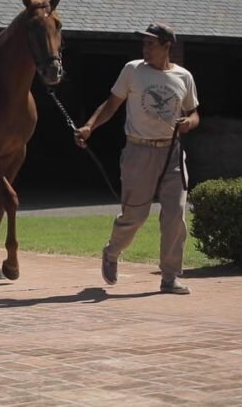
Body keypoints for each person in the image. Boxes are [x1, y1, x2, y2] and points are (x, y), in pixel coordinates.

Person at [75, 22, 200, 294]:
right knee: (136, 216)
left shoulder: (184, 77)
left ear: (167, 46)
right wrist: (89, 126)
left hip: (172, 152)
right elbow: (111, 104)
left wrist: (189, 123)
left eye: (151, 44)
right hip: (138, 150)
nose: (145, 47)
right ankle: (112, 251)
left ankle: (170, 276)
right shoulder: (133, 70)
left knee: (175, 214)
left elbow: (194, 112)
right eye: (143, 43)